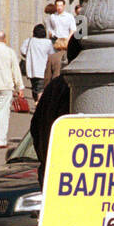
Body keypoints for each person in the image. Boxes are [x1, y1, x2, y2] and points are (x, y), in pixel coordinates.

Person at [31, 34, 83, 186]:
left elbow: (36, 127)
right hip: (69, 175)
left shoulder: (54, 87)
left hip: (51, 170)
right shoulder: (79, 87)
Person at [21, 25, 53, 102]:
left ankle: (37, 102)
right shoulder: (48, 42)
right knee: (40, 89)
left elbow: (22, 51)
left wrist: (29, 55)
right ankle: (39, 105)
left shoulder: (29, 41)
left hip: (31, 70)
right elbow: (52, 54)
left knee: (35, 88)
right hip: (43, 70)